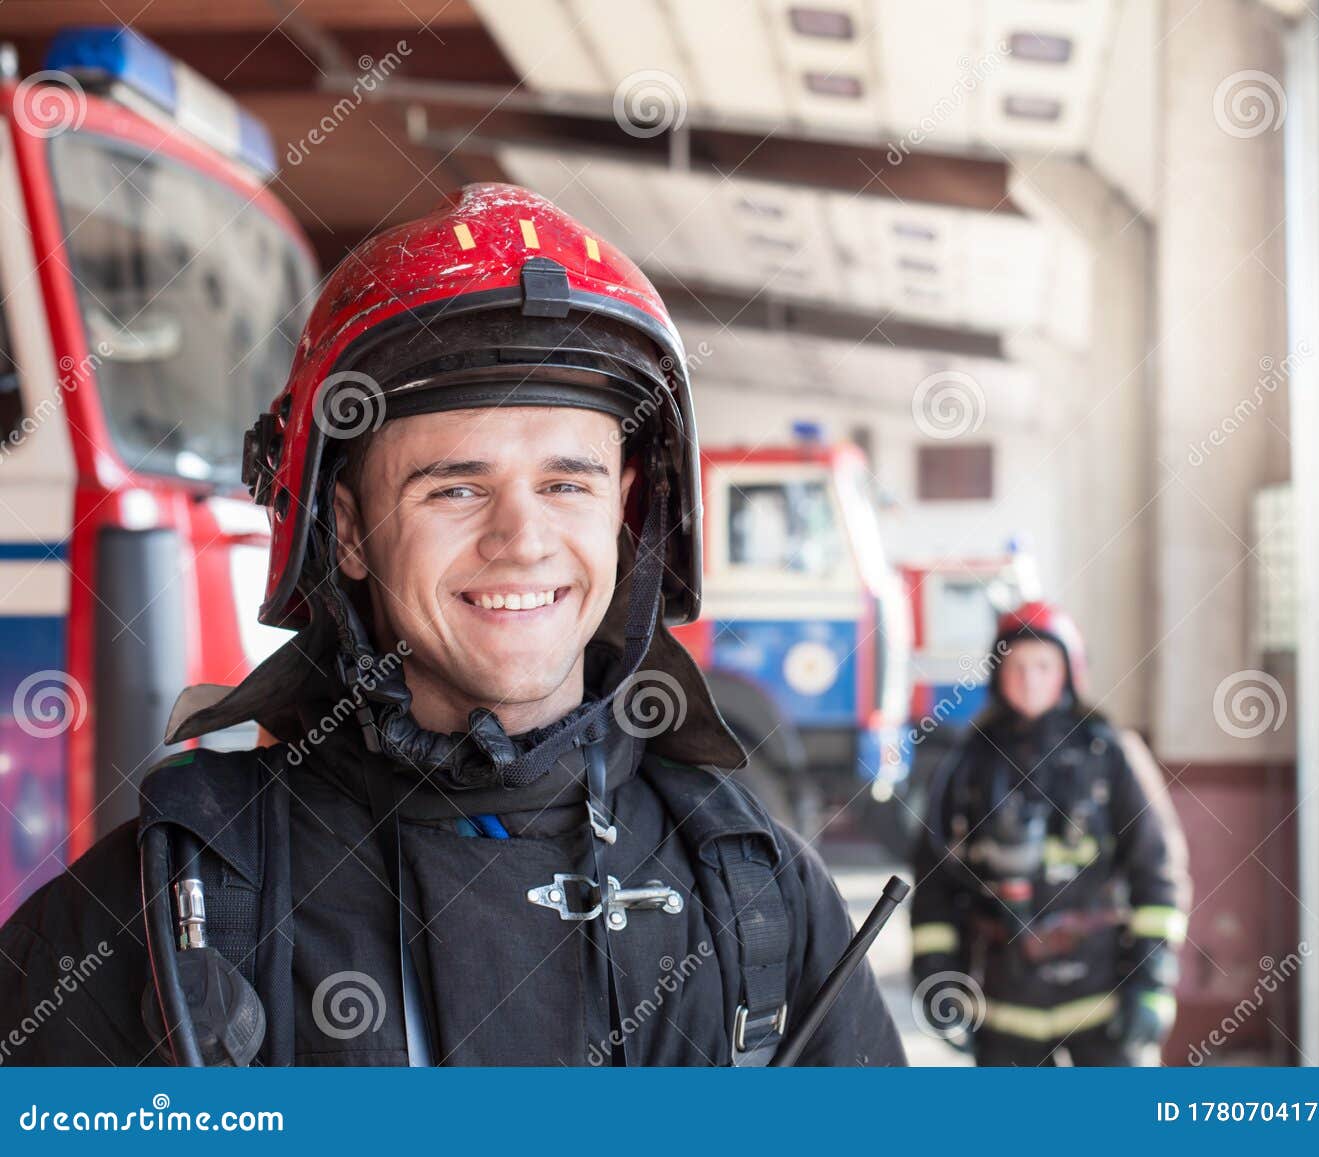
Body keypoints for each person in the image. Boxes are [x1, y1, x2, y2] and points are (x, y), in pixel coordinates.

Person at [0, 184, 904, 1068]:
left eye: (566, 484)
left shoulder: (763, 904)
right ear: (349, 529)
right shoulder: (167, 912)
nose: (521, 541)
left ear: (625, 513)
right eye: (456, 487)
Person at [909, 601, 1189, 1066]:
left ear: (1070, 671)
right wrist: (937, 975)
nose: (1029, 678)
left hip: (1102, 1004)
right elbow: (934, 880)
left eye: (1044, 664)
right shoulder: (966, 764)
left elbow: (1155, 872)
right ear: (997, 674)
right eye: (1016, 665)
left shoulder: (1111, 755)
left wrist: (1153, 984)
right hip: (1004, 1012)